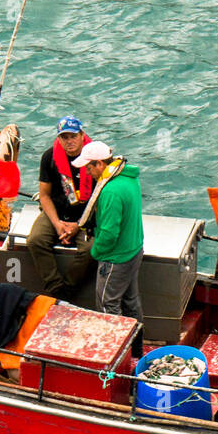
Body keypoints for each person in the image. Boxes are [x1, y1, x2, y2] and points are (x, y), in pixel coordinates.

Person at [71, 140, 145, 327]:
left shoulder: (111, 191)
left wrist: (96, 252)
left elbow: (109, 233)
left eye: (89, 167)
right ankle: (136, 348)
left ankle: (117, 351)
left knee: (107, 304)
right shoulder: (129, 178)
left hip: (116, 258)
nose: (87, 173)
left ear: (100, 164)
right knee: (131, 301)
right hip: (134, 249)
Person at [27, 115, 96, 298]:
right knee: (35, 240)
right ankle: (56, 288)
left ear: (82, 135)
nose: (69, 141)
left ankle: (68, 289)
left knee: (91, 249)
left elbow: (99, 200)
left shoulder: (95, 158)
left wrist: (79, 225)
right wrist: (57, 224)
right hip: (58, 211)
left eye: (73, 136)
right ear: (59, 139)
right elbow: (44, 195)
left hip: (87, 214)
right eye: (64, 137)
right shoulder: (50, 157)